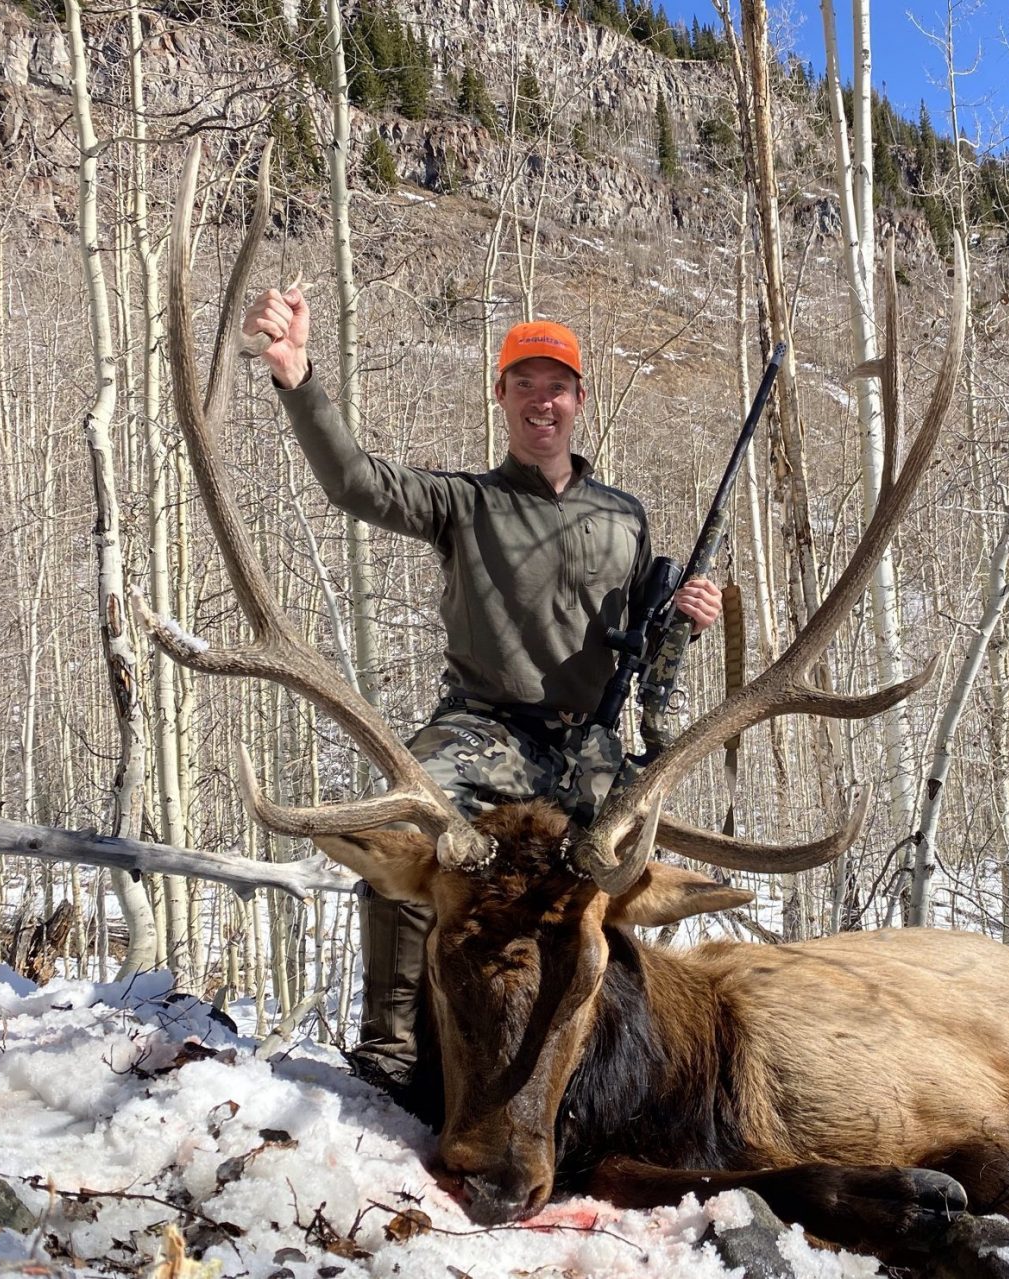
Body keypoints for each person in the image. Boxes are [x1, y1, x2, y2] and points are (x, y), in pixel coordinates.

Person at [241, 286, 722, 1097]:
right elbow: (356, 483)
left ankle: (609, 1061)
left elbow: (646, 645)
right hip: (483, 726)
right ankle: (391, 1044)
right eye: (526, 383)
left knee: (636, 872)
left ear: (579, 400)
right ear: (502, 395)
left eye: (558, 385)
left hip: (588, 745)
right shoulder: (465, 502)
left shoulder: (624, 516)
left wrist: (688, 617)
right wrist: (298, 376)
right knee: (405, 826)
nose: (544, 400)